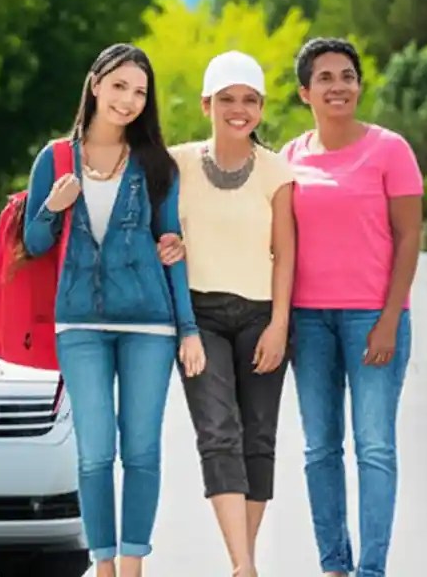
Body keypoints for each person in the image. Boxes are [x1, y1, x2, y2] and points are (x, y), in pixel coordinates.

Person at [22, 42, 203, 577]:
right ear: (95, 83)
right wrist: (54, 206)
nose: (128, 100)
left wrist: (188, 328)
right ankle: (103, 566)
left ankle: (133, 566)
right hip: (79, 324)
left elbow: (171, 249)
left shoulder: (156, 165)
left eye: (139, 92)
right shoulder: (54, 159)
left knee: (142, 450)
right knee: (95, 452)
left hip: (150, 324)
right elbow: (33, 243)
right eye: (119, 86)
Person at [281, 37, 422, 577]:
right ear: (305, 92)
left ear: (359, 85)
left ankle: (371, 569)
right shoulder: (291, 157)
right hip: (308, 321)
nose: (338, 86)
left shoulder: (390, 150)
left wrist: (389, 320)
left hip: (373, 320)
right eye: (325, 77)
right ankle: (334, 566)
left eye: (347, 75)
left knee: (375, 447)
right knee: (319, 448)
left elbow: (408, 238)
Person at [168, 51, 296, 577]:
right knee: (218, 431)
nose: (238, 110)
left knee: (258, 435)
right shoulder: (174, 164)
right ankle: (244, 568)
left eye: (248, 100)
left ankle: (242, 563)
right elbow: (158, 231)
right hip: (200, 319)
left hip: (261, 316)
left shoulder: (276, 169)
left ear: (261, 108)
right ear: (207, 104)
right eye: (226, 99)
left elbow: (286, 251)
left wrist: (280, 325)